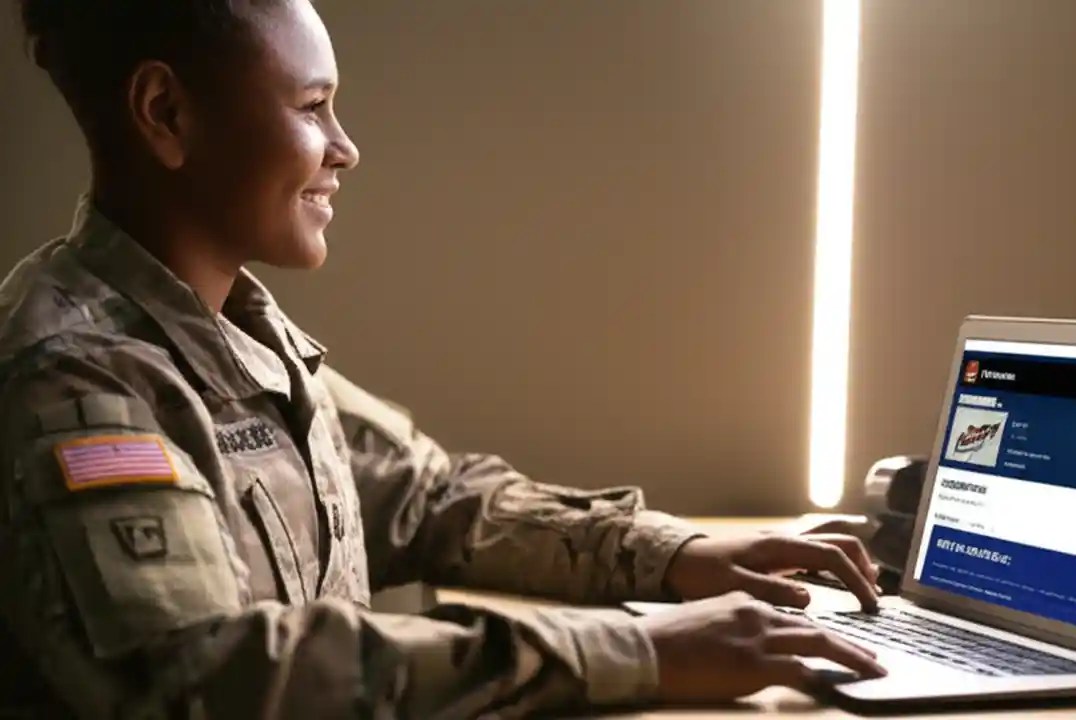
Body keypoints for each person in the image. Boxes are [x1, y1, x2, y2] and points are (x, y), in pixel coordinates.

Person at [0, 1, 886, 717]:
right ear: (166, 113)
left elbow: (429, 498)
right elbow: (209, 674)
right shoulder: (75, 374)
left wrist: (672, 553)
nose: (345, 148)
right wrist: (640, 651)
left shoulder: (234, 336)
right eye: (311, 107)